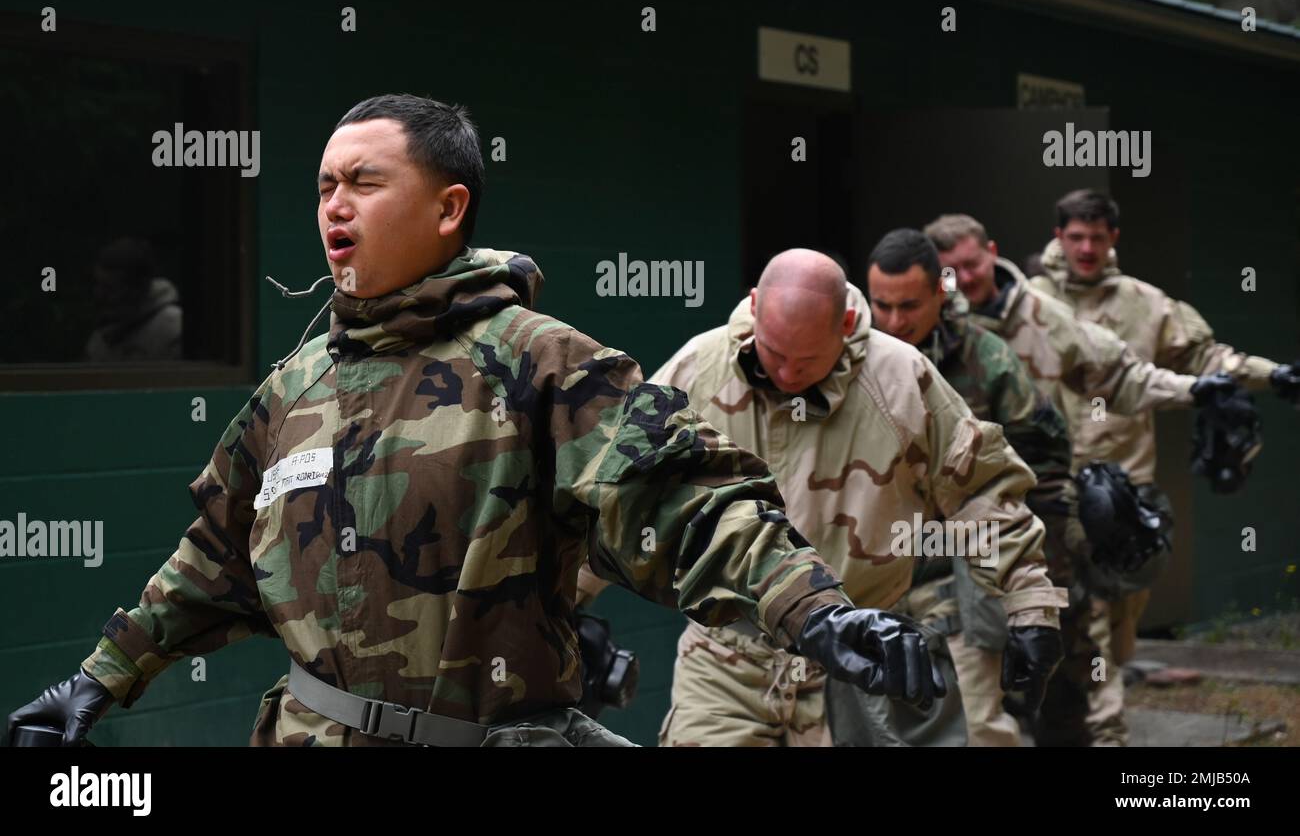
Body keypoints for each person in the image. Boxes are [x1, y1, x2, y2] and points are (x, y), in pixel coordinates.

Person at [6, 95, 941, 749]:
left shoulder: (540, 364)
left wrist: (820, 614)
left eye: (363, 183)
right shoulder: (293, 391)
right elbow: (210, 561)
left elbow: (690, 506)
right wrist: (98, 680)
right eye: (325, 185)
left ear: (450, 207)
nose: (334, 205)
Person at [582, 248, 1065, 747]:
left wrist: (1031, 607)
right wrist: (565, 604)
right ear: (754, 305)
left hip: (862, 659)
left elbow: (983, 489)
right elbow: (621, 496)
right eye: (776, 353)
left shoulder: (901, 379)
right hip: (726, 659)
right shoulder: (699, 371)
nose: (789, 375)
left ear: (847, 322)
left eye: (808, 359)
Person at [924, 212, 1256, 746]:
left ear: (991, 250)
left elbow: (1123, 372)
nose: (961, 279)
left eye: (970, 264)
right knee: (969, 669)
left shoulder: (1041, 317)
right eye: (947, 272)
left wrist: (1200, 390)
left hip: (1042, 514)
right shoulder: (917, 332)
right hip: (941, 534)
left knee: (1074, 646)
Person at [1029, 189, 1298, 726]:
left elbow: (1207, 357)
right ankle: (1088, 719)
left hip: (1124, 480)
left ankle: (1100, 688)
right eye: (1076, 236)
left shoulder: (1145, 303)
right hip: (1048, 480)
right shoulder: (1028, 301)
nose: (1086, 247)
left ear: (1113, 240)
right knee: (1068, 606)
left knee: (1123, 600)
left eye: (1097, 237)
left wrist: (1273, 375)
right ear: (1059, 236)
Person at [866, 228, 1082, 746]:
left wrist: (1031, 582)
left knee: (975, 726)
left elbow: (1047, 465)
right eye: (882, 305)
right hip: (865, 578)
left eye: (909, 305)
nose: (895, 321)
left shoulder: (987, 359)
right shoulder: (843, 359)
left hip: (957, 579)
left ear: (941, 292)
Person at [84, 237, 183, 361]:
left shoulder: (173, 331)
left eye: (109, 288)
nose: (99, 295)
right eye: (97, 285)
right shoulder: (102, 335)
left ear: (139, 289)